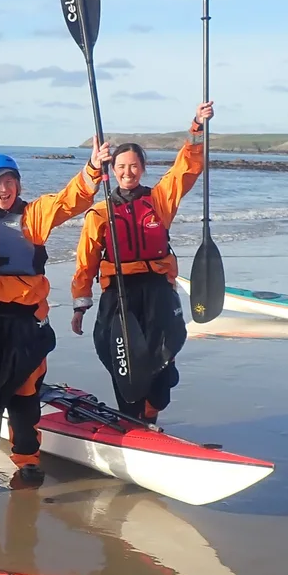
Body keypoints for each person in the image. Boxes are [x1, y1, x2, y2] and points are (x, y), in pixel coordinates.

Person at [0, 141, 112, 487]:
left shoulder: (34, 215)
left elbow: (69, 201)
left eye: (9, 181)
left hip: (25, 322)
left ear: (18, 184)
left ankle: (27, 461)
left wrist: (91, 169)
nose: (4, 189)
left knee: (24, 396)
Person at [69, 103, 212, 419]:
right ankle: (132, 420)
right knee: (127, 367)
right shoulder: (101, 211)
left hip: (157, 291)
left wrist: (196, 128)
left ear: (143, 168)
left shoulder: (159, 200)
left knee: (160, 376)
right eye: (120, 167)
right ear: (111, 170)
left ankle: (151, 414)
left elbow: (185, 169)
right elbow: (86, 260)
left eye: (133, 166)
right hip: (119, 295)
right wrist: (80, 304)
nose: (127, 172)